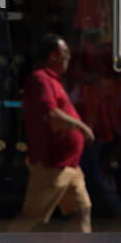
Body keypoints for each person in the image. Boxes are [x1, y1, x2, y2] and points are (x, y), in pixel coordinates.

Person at [11, 34, 94, 232]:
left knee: (82, 211)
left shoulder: (54, 80)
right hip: (52, 165)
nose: (68, 57)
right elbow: (52, 115)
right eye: (64, 53)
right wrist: (82, 127)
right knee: (31, 217)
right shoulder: (40, 78)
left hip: (70, 165)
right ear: (52, 56)